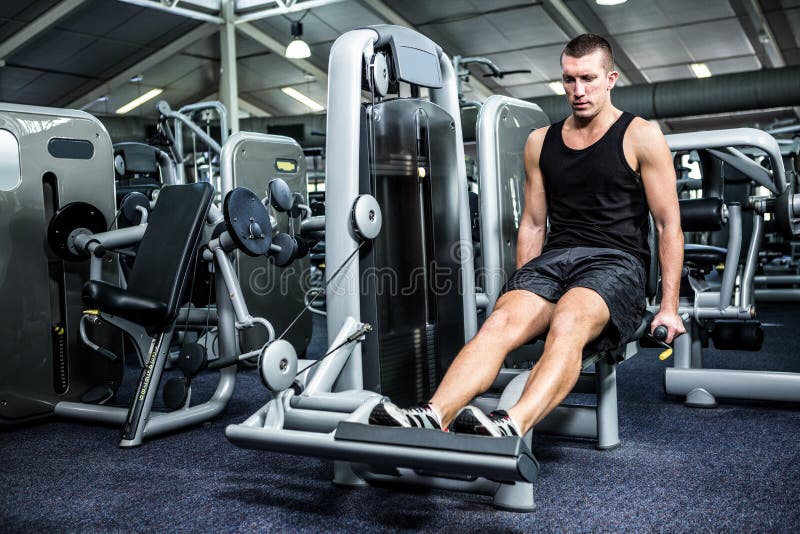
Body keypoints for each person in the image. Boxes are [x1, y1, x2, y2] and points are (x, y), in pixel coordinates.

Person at [369, 33, 685, 437]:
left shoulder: (640, 135)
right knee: (499, 323)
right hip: (554, 262)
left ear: (611, 78)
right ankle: (434, 414)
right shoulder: (541, 142)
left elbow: (668, 224)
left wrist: (668, 306)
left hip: (615, 263)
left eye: (588, 79)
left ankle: (512, 424)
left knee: (570, 321)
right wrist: (525, 287)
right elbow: (534, 224)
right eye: (569, 80)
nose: (578, 90)